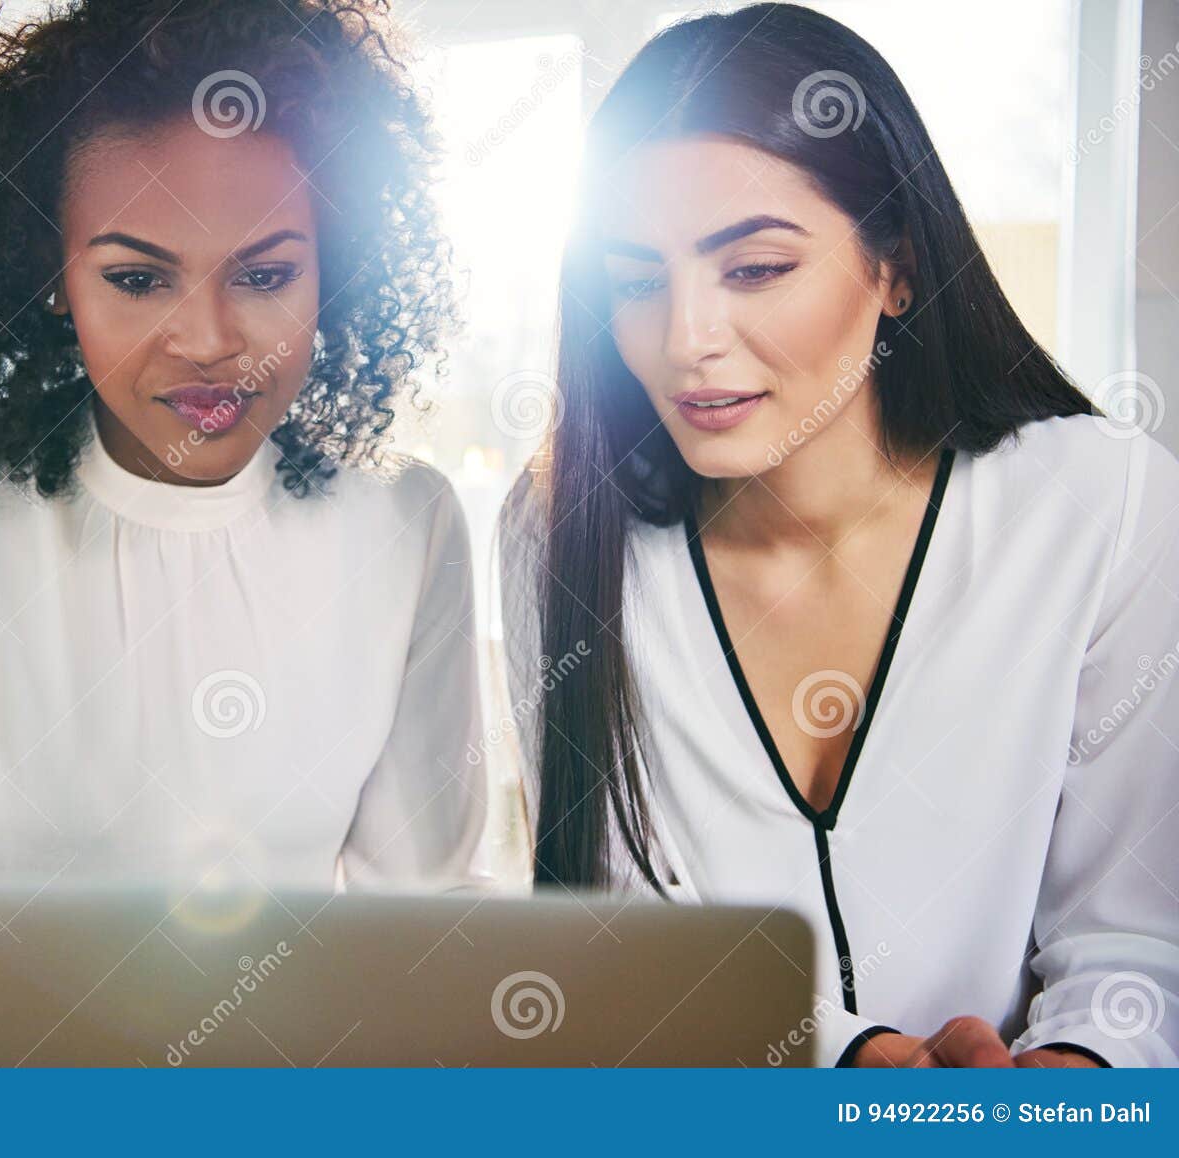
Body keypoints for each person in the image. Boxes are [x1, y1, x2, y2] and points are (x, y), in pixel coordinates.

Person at [0, 0, 486, 1065]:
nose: (209, 342)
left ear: (337, 273)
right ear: (50, 277)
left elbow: (425, 937)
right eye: (135, 278)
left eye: (265, 275)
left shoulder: (408, 521)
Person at [497, 2, 1179, 1068]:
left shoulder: (1104, 504)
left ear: (896, 267)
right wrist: (855, 1070)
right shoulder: (563, 533)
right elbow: (623, 943)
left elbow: (1135, 945)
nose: (687, 340)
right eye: (635, 282)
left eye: (755, 269)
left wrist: (1057, 1090)